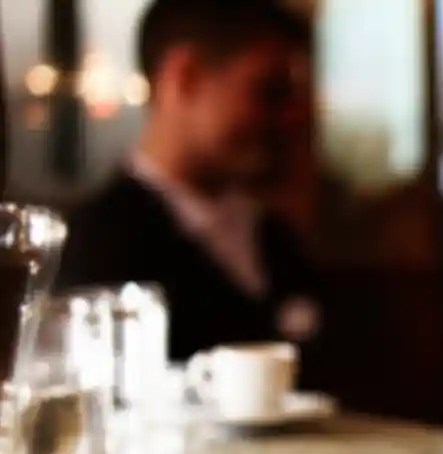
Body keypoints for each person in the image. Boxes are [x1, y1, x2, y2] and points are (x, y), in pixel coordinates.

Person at [56, 0, 321, 361]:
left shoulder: (274, 235)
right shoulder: (96, 245)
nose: (291, 118)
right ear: (186, 75)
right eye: (269, 91)